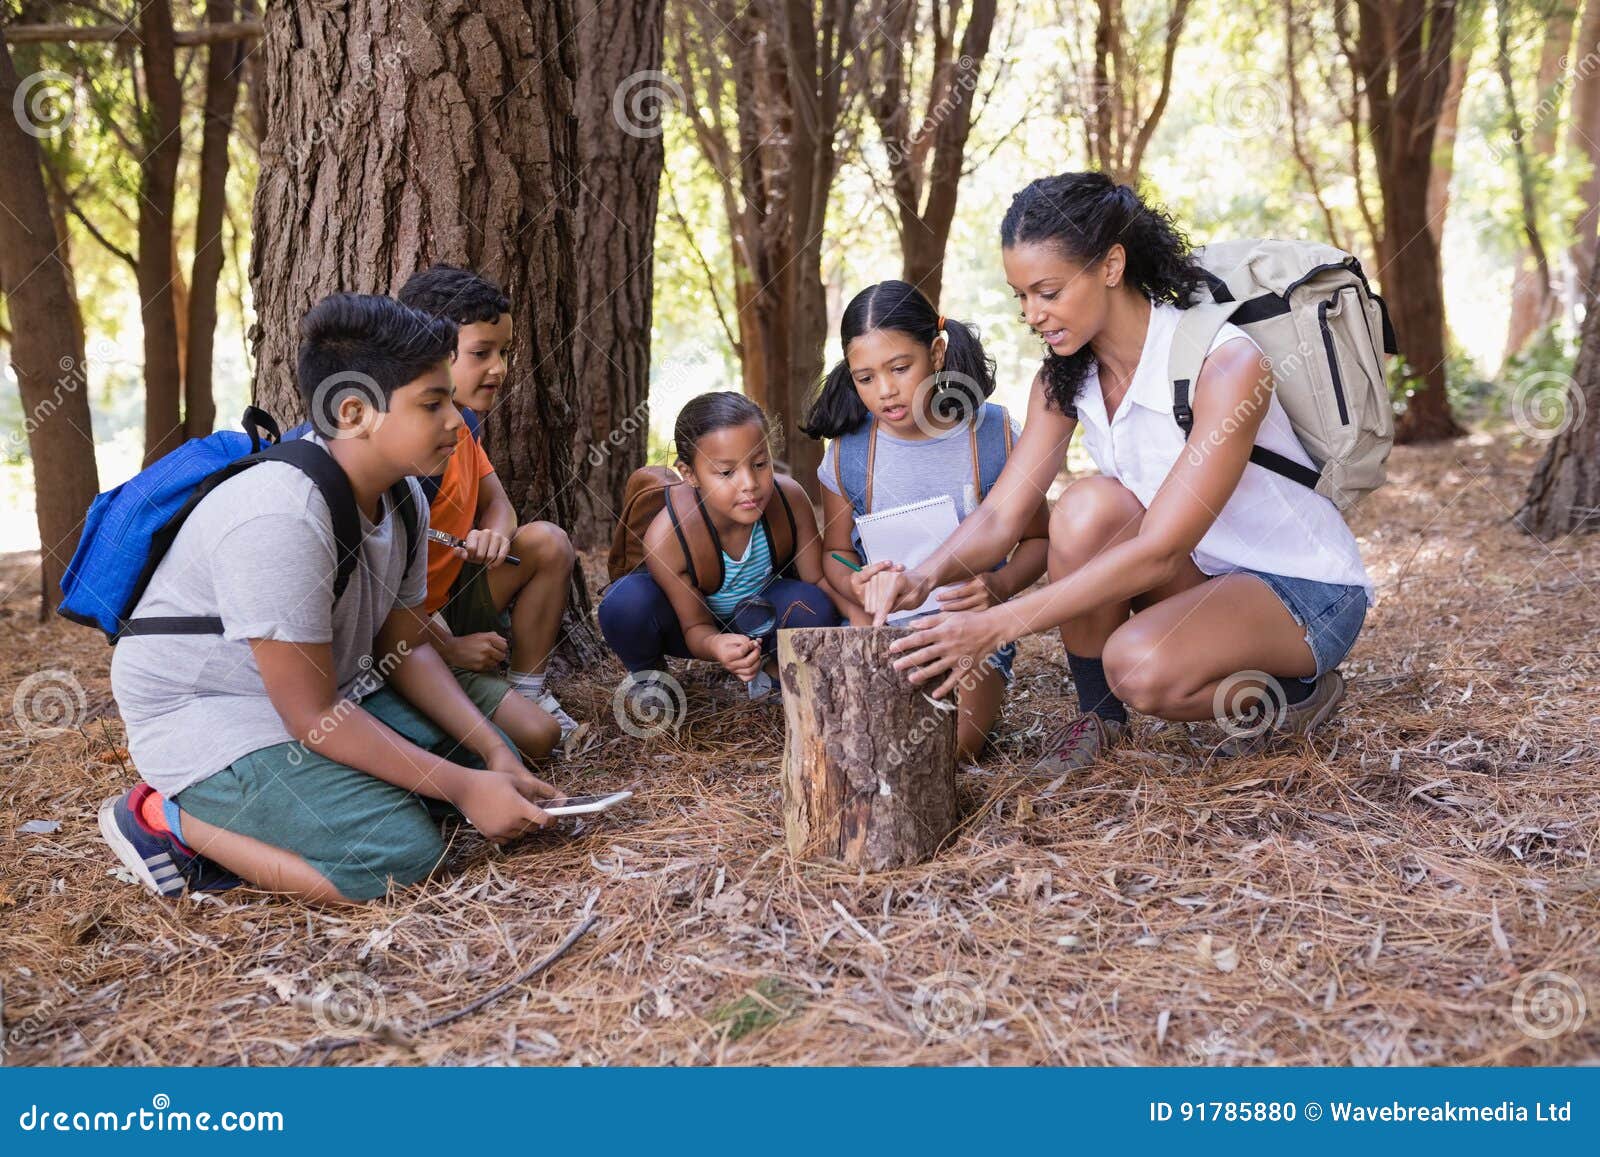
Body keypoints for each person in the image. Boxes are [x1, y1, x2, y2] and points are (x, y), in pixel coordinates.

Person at [862, 172, 1372, 771]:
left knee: (1137, 665)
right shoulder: (1066, 376)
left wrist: (997, 624)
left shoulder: (1226, 363)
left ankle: (1295, 695)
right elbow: (1004, 512)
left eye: (1048, 291)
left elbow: (1157, 550)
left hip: (1301, 588)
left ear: (1110, 266)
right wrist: (922, 578)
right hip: (1205, 573)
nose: (1033, 313)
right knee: (1085, 508)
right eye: (1021, 295)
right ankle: (1097, 719)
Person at [99, 294, 561, 904]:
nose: (457, 420)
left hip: (332, 691)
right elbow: (309, 716)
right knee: (400, 858)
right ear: (354, 412)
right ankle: (163, 819)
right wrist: (464, 789)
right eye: (432, 402)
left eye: (450, 396)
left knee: (514, 749)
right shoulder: (280, 514)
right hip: (218, 713)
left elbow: (405, 646)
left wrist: (491, 755)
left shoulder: (404, 498)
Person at [803, 280, 1048, 758]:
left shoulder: (993, 436)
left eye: (900, 368)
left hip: (969, 629)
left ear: (936, 353)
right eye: (865, 377)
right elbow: (836, 552)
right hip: (881, 630)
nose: (886, 391)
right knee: (858, 749)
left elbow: (1039, 540)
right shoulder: (851, 452)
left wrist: (1001, 586)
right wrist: (858, 583)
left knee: (949, 753)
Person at [397, 263, 580, 742]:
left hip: (451, 597)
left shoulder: (464, 426)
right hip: (407, 631)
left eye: (504, 352)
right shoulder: (401, 452)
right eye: (482, 353)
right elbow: (381, 593)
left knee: (548, 542)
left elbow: (498, 502)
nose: (500, 367)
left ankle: (529, 687)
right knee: (539, 740)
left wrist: (494, 534)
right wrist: (451, 648)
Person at [597, 391, 841, 688]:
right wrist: (716, 644)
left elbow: (817, 581)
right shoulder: (667, 537)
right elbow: (695, 626)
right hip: (693, 628)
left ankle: (775, 669)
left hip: (761, 619)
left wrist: (859, 608)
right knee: (624, 604)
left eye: (760, 464)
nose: (750, 484)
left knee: (814, 604)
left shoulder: (789, 499)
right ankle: (651, 680)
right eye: (726, 472)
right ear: (690, 474)